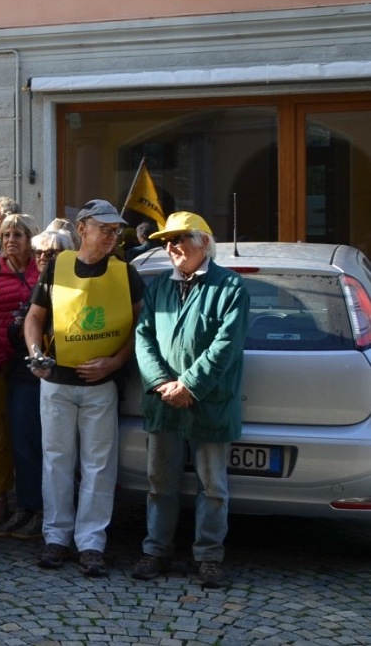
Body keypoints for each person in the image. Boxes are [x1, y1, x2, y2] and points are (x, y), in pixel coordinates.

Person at [23, 199, 145, 577]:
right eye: (104, 228)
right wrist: (35, 353)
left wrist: (116, 361)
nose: (111, 236)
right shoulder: (57, 266)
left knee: (98, 466)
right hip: (57, 380)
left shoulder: (126, 273)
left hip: (100, 384)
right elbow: (34, 317)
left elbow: (141, 327)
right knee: (57, 460)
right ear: (83, 228)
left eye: (115, 230)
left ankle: (92, 542)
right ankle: (56, 537)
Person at [131, 212, 248, 589]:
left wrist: (190, 386)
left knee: (213, 487)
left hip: (209, 401)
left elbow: (225, 346)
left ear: (204, 243)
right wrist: (163, 382)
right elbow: (143, 337)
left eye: (180, 239)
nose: (171, 247)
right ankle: (155, 550)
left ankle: (209, 556)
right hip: (164, 401)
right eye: (167, 240)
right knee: (159, 483)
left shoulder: (231, 287)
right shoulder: (159, 286)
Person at [0, 229, 69, 542]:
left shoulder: (77, 285)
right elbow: (4, 330)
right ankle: (26, 508)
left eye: (53, 253)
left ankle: (50, 515)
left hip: (65, 378)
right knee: (22, 443)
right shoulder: (34, 288)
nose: (45, 259)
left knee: (56, 450)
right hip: (25, 375)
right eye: (40, 254)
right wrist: (14, 329)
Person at [0, 212, 40, 528]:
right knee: (4, 432)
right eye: (7, 236)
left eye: (18, 235)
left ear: (30, 240)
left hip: (32, 367)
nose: (11, 241)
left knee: (32, 434)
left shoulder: (40, 273)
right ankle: (2, 492)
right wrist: (1, 357)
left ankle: (31, 497)